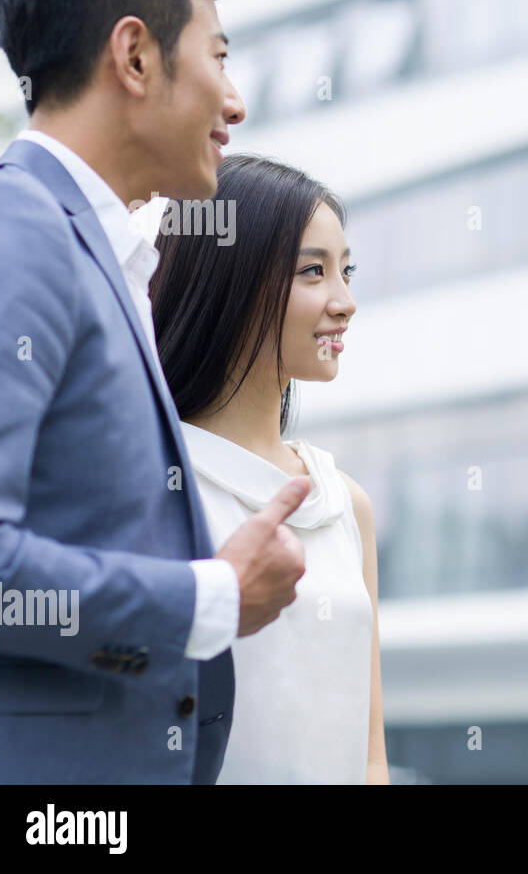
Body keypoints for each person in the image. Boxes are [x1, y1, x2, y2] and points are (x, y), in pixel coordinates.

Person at [0, 0, 310, 783]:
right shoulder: (16, 233)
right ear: (135, 57)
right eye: (220, 57)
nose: (235, 103)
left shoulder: (102, 256)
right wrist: (212, 598)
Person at [151, 154, 389, 784]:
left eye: (346, 271)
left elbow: (369, 754)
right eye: (314, 272)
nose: (346, 302)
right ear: (234, 278)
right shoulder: (153, 482)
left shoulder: (346, 504)